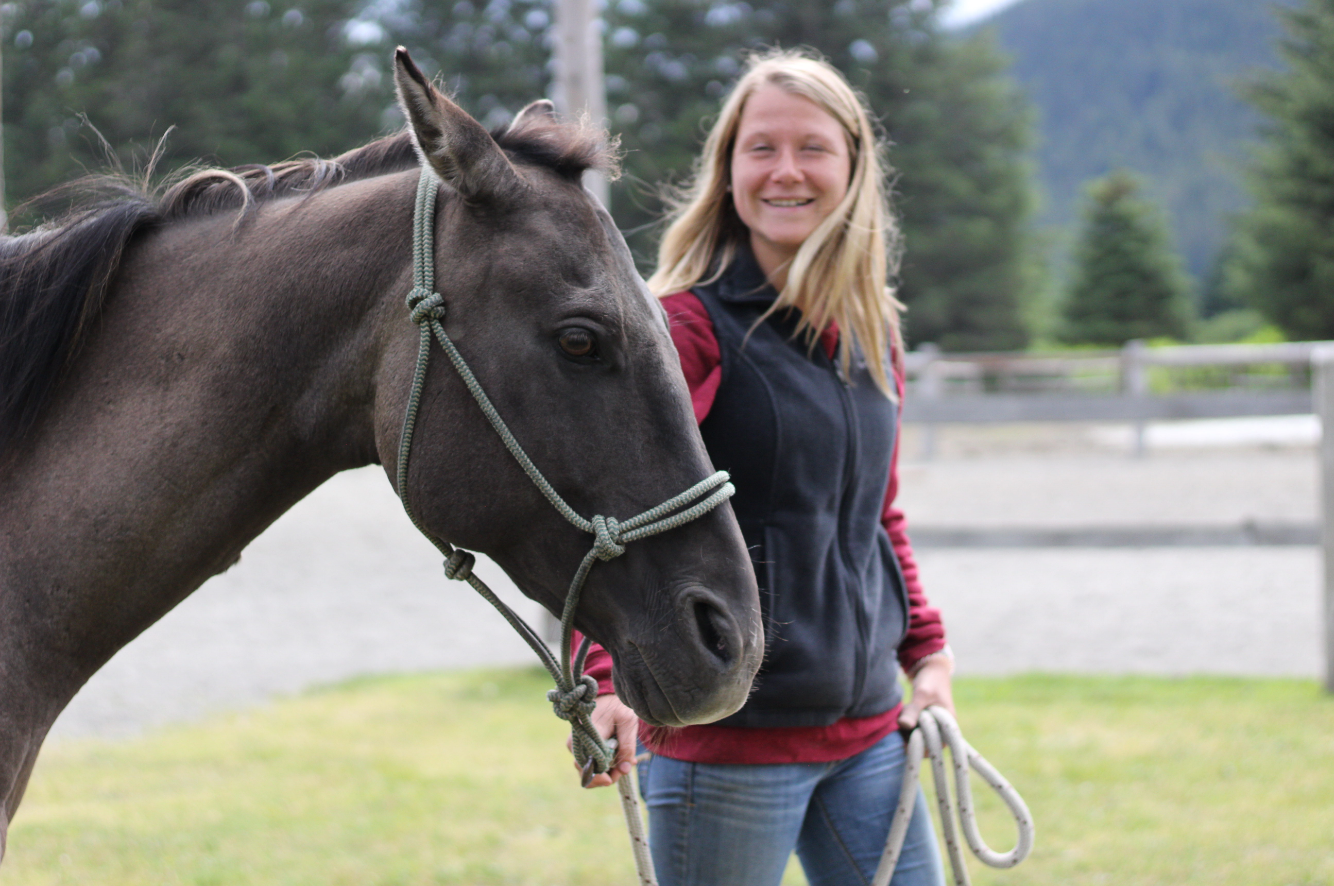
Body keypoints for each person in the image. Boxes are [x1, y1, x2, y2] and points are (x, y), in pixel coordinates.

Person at [571, 48, 955, 886]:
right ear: (729, 170)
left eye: (812, 147)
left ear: (852, 166)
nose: (787, 171)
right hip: (725, 745)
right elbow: (607, 509)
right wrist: (602, 674)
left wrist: (926, 650)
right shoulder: (683, 330)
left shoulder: (871, 333)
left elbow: (876, 515)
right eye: (762, 148)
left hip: (869, 735)